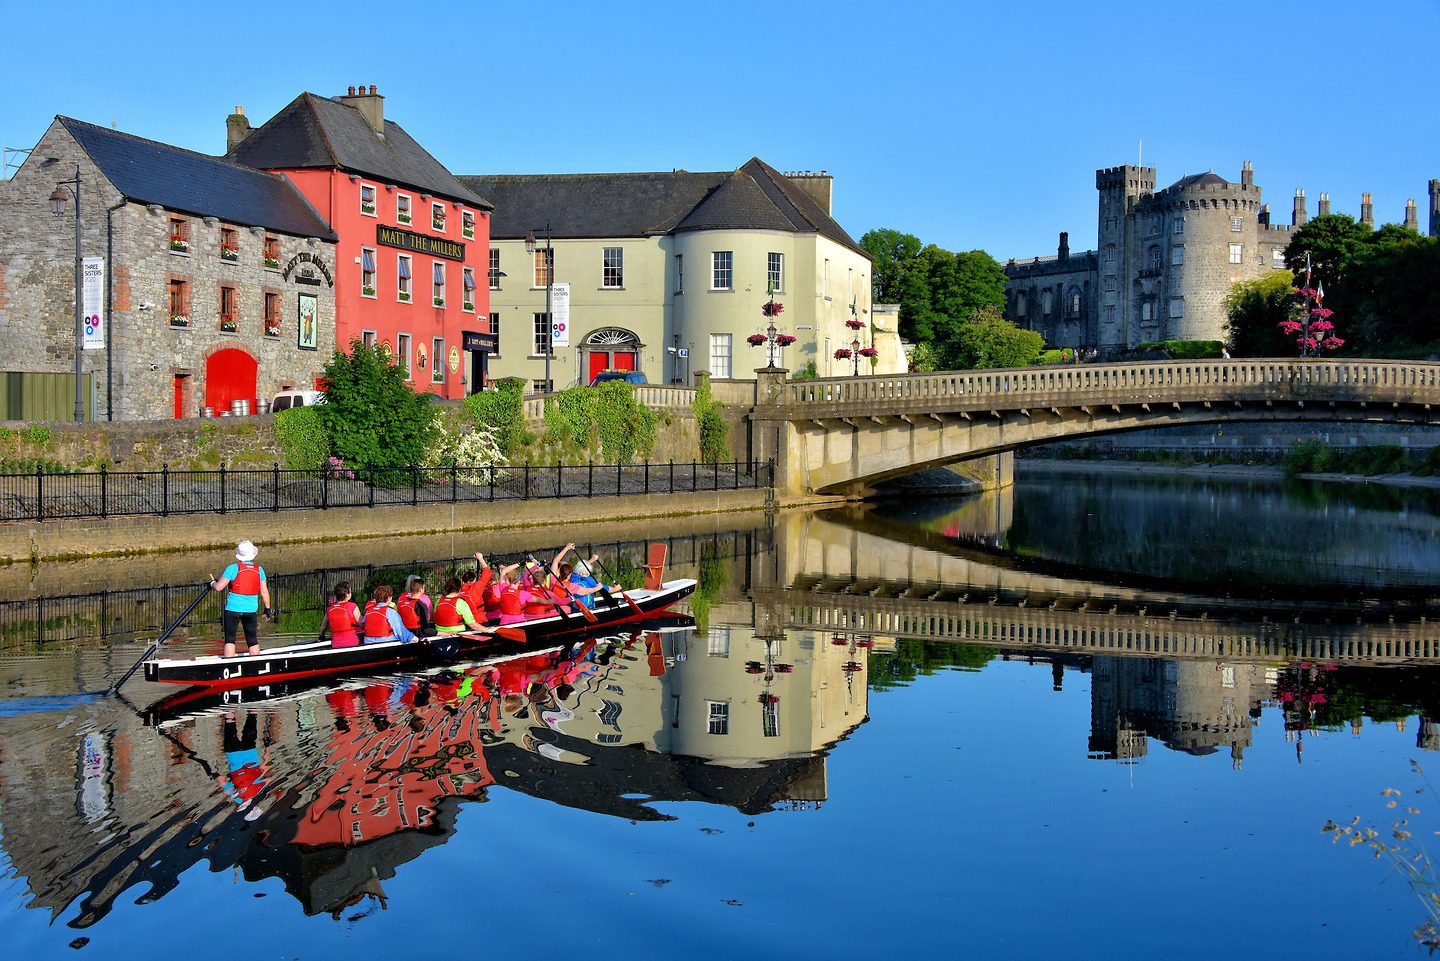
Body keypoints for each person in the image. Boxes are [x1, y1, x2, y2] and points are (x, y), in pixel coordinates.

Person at [210, 540, 272, 658]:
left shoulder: (232, 568)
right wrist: (267, 608)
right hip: (250, 610)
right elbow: (264, 591)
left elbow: (219, 587)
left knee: (230, 640)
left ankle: (230, 665)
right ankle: (255, 664)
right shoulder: (259, 570)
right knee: (252, 640)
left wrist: (212, 583)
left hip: (233, 609)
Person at [322, 582, 362, 648]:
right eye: (350, 592)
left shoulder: (330, 609)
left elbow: (323, 627)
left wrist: (321, 636)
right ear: (347, 595)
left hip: (336, 645)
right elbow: (361, 624)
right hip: (352, 643)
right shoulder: (352, 606)